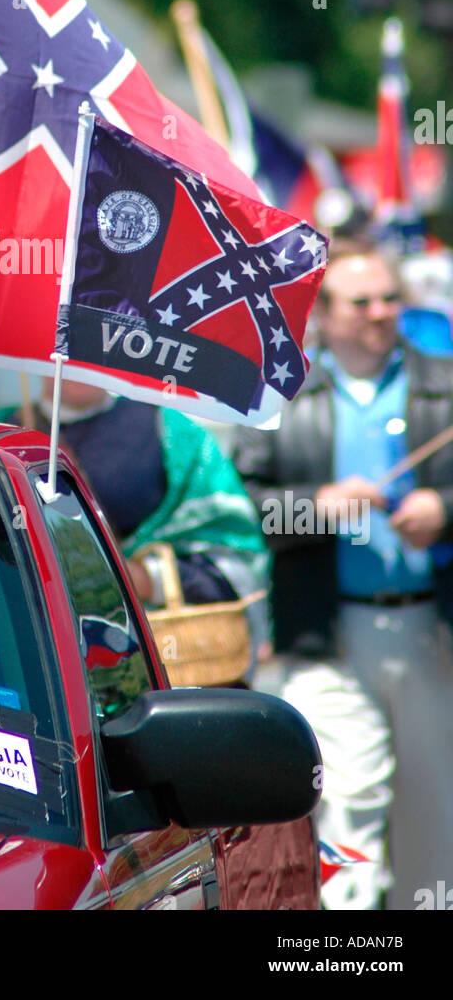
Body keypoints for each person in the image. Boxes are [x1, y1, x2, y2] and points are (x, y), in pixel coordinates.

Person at [231, 238, 453, 910]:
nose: (380, 312)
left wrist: (444, 510)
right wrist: (315, 510)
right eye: (361, 301)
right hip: (324, 633)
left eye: (390, 298)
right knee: (350, 797)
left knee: (432, 810)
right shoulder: (281, 397)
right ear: (323, 314)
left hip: (428, 630)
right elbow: (243, 513)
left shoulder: (444, 384)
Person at [0, 378, 269, 678]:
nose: (75, 356)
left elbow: (232, 557)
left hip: (153, 659)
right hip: (35, 663)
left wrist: (144, 578)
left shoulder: (169, 431)